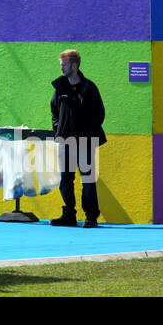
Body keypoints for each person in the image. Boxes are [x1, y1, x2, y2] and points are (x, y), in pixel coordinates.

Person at [50, 49, 107, 228]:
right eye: (61, 64)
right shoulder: (60, 87)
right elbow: (54, 111)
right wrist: (58, 130)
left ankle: (91, 217)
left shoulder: (89, 88)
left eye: (64, 64)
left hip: (85, 141)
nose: (61, 68)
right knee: (65, 180)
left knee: (88, 180)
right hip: (65, 141)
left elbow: (100, 114)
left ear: (74, 66)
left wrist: (87, 133)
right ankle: (69, 215)